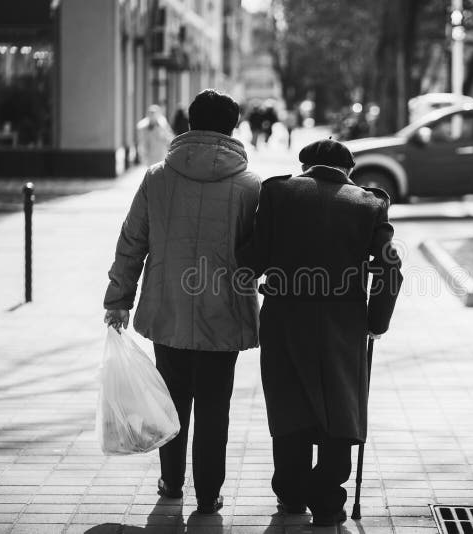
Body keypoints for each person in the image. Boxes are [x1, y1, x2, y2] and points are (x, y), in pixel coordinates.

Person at [104, 89, 261, 514]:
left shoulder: (158, 177)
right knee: (215, 408)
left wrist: (119, 297)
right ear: (232, 128)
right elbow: (259, 254)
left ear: (189, 124)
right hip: (223, 313)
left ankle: (171, 483)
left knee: (170, 402)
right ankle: (209, 495)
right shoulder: (250, 185)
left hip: (168, 307)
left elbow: (132, 240)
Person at [236, 139, 402, 526]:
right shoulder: (369, 203)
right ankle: (327, 502)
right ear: (348, 171)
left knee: (290, 403)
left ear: (305, 166)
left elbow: (254, 259)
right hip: (342, 323)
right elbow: (390, 269)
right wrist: (376, 324)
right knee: (338, 408)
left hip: (284, 316)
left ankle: (291, 495)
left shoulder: (277, 191)